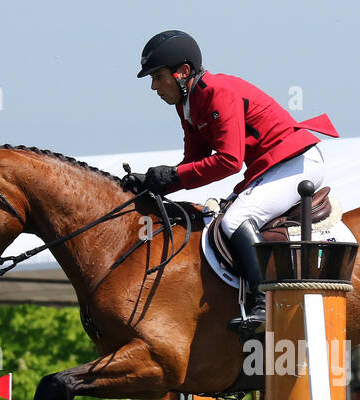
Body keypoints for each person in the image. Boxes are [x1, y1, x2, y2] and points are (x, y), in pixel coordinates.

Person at [129, 30, 338, 334]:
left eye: (158, 77)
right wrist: (156, 183)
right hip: (273, 166)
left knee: (235, 220)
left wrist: (173, 177)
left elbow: (228, 161)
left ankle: (265, 302)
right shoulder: (187, 104)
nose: (153, 86)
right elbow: (193, 162)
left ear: (183, 72)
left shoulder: (217, 91)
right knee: (219, 217)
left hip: (297, 162)